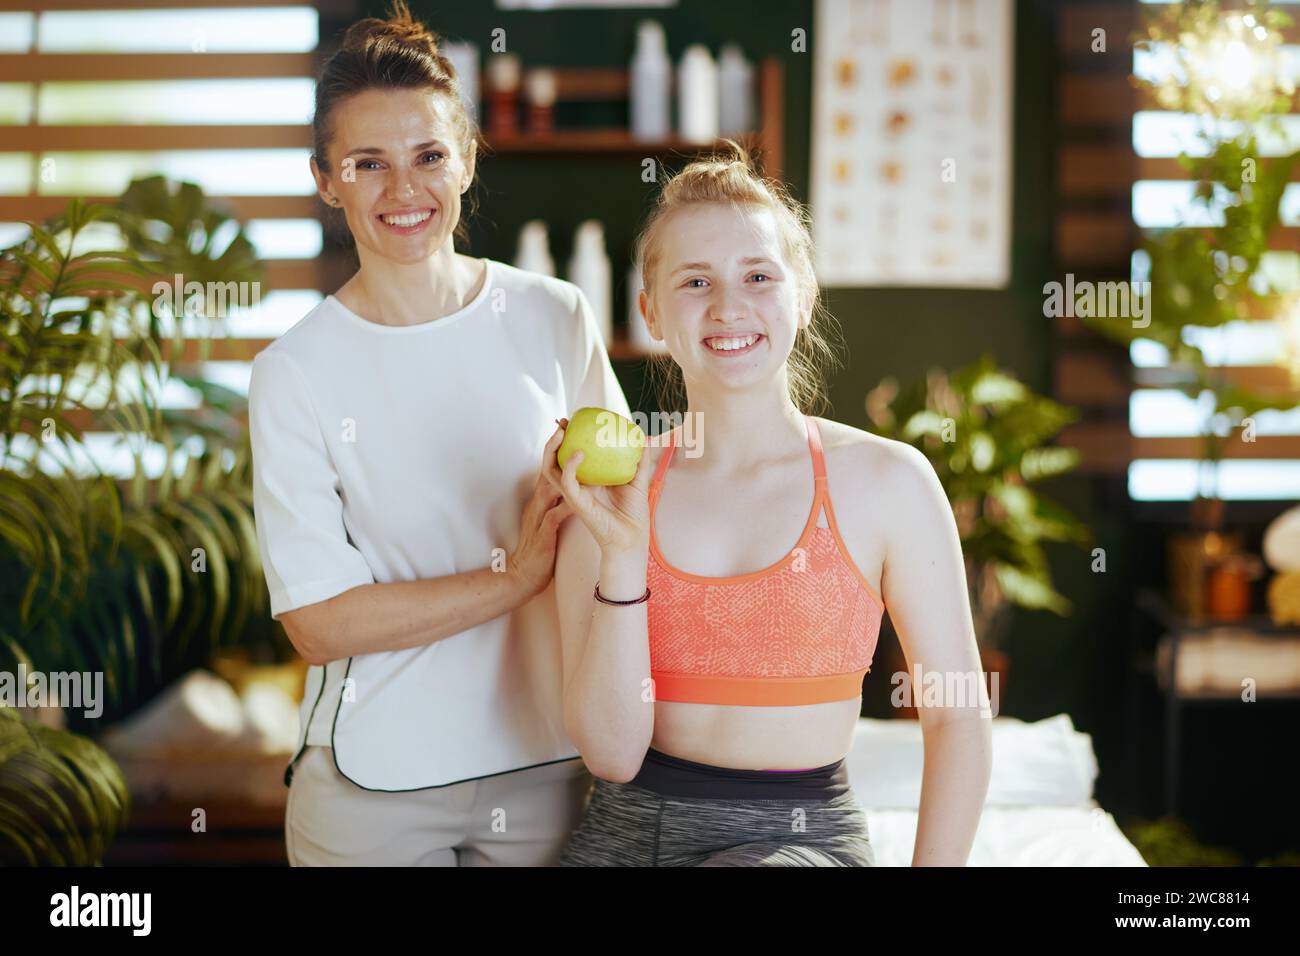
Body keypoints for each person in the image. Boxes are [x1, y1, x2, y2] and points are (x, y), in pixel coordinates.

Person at [247, 1, 630, 865]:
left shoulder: (554, 316)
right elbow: (318, 623)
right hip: (371, 781)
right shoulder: (294, 372)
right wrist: (516, 576)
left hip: (550, 763)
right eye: (367, 164)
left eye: (427, 156)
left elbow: (622, 523)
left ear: (464, 159)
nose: (403, 190)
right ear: (325, 179)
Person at [546, 143, 992, 866]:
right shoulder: (608, 497)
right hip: (623, 835)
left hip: (798, 840)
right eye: (694, 281)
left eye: (758, 276)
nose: (727, 306)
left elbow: (956, 716)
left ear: (804, 296)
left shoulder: (888, 484)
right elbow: (612, 754)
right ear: (650, 311)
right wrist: (623, 556)